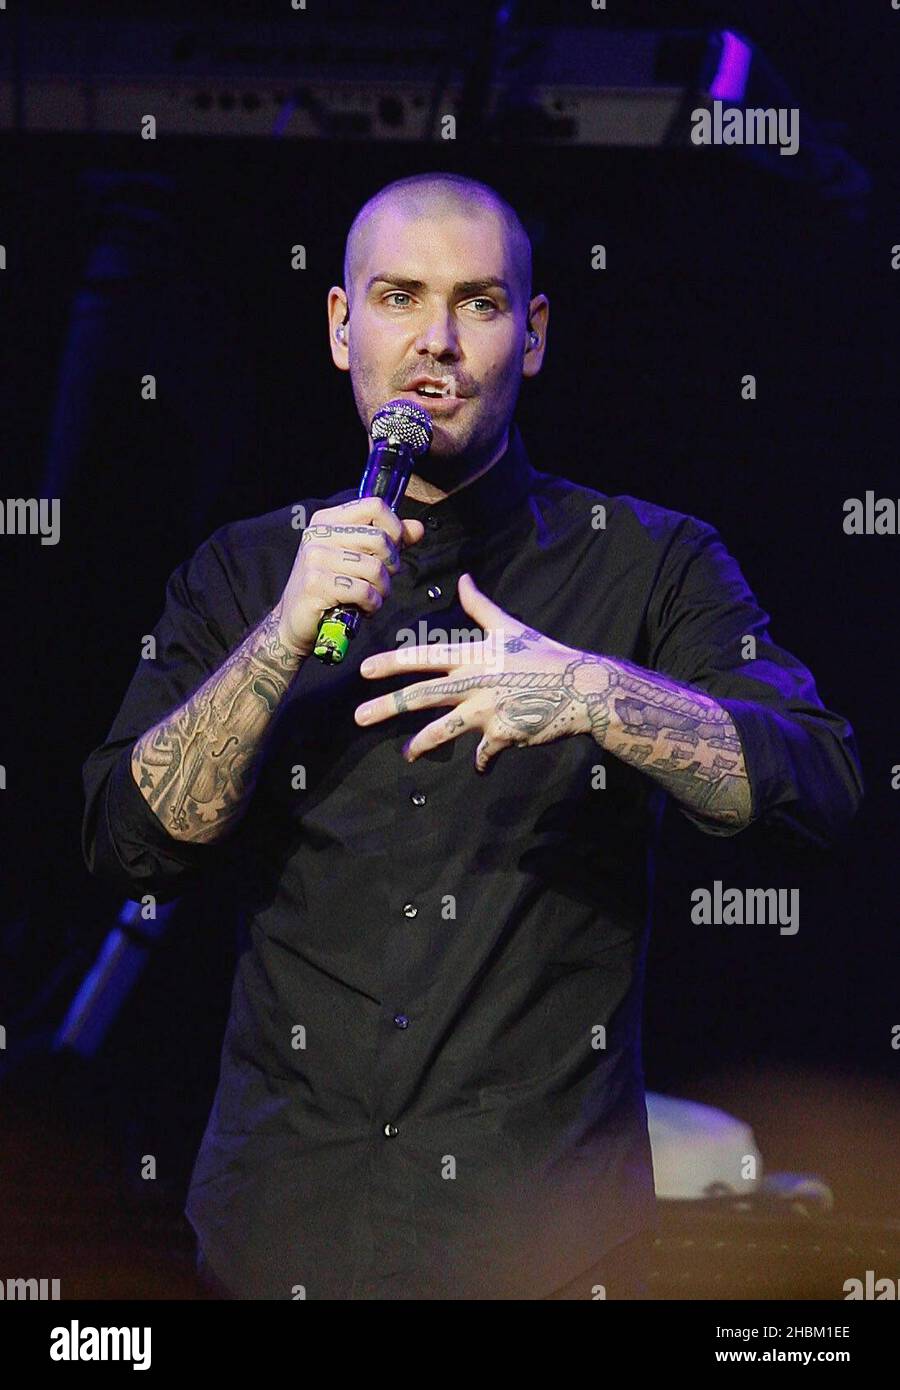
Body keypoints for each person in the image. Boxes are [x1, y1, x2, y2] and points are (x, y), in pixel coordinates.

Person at [81, 173, 863, 1300]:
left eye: (480, 304)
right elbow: (127, 839)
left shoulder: (651, 562)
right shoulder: (248, 572)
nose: (435, 342)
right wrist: (282, 638)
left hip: (544, 1246)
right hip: (283, 1234)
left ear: (532, 334)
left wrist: (596, 694)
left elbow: (820, 786)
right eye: (398, 297)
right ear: (343, 327)